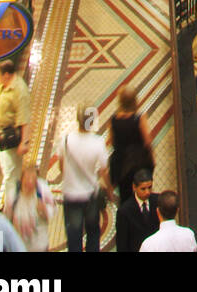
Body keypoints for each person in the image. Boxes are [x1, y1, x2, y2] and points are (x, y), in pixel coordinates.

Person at [59, 104, 112, 253]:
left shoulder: (66, 140)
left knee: (74, 235)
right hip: (90, 194)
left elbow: (61, 167)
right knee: (93, 232)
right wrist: (109, 189)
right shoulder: (98, 142)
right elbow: (103, 170)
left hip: (71, 194)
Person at [0, 60, 30, 202]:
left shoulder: (20, 90)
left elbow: (24, 117)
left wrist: (24, 142)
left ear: (7, 75)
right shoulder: (2, 84)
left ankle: (10, 208)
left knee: (10, 175)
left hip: (9, 137)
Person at [108, 85, 155, 206]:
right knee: (141, 195)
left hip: (120, 164)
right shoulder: (139, 118)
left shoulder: (113, 119)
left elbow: (111, 141)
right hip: (138, 164)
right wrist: (152, 157)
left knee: (124, 195)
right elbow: (147, 141)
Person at [4, 162, 54, 253]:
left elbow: (52, 212)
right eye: (26, 182)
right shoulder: (13, 194)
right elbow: (6, 217)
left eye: (32, 182)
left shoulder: (43, 191)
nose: (29, 184)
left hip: (39, 245)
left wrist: (44, 211)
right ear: (21, 179)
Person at [115, 169, 159, 253]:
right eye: (143, 189)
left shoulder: (158, 201)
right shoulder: (124, 211)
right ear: (134, 187)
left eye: (150, 187)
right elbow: (122, 244)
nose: (147, 192)